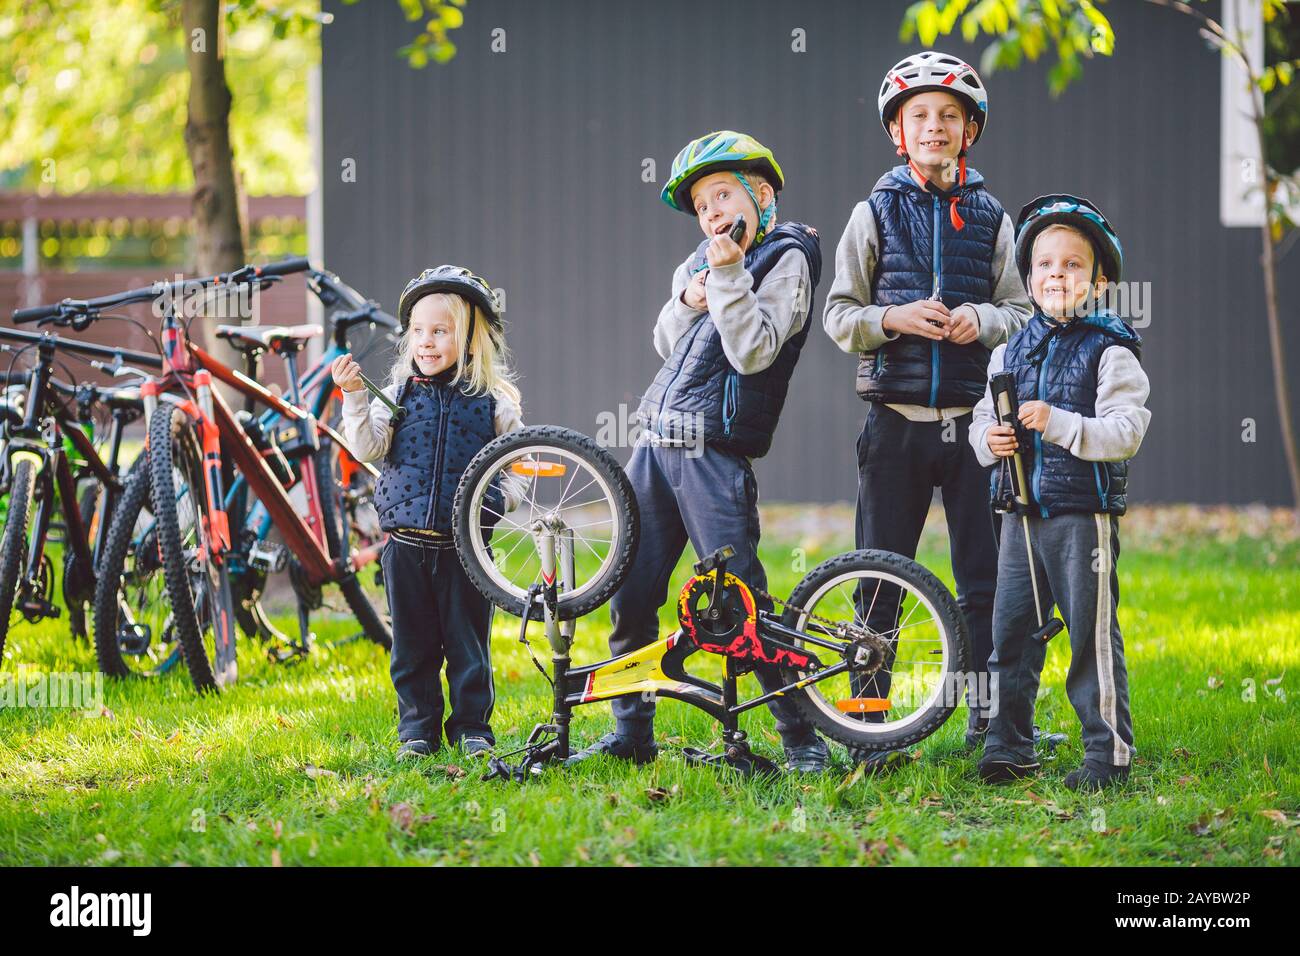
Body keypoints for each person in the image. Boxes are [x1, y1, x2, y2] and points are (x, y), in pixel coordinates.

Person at [565, 130, 830, 773]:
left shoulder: (789, 253)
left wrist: (728, 276)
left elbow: (754, 349)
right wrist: (690, 294)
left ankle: (801, 740)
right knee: (631, 587)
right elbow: (665, 339)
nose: (711, 214)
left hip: (713, 449)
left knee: (739, 597)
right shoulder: (700, 262)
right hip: (657, 441)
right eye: (701, 206)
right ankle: (632, 732)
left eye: (722, 195)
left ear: (760, 195)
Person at [822, 51, 1034, 770]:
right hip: (895, 429)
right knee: (879, 581)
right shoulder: (873, 211)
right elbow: (839, 316)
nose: (935, 127)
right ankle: (871, 730)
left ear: (969, 130)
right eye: (920, 117)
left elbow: (1022, 308)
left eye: (949, 116)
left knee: (983, 581)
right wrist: (896, 319)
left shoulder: (993, 217)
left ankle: (986, 723)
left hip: (977, 429)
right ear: (897, 132)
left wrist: (981, 317)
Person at [969, 195, 1150, 791]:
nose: (1056, 275)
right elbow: (980, 418)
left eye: (1073, 265)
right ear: (1029, 276)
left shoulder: (1111, 349)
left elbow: (1125, 432)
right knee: (1010, 633)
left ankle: (1106, 755)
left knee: (1090, 635)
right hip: (1019, 513)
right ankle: (1007, 743)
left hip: (1081, 517)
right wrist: (987, 439)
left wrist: (1060, 424)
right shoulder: (1009, 349)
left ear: (1099, 282)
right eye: (1045, 264)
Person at [333, 266, 524, 761]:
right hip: (405, 548)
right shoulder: (397, 395)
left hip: (466, 551)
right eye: (418, 331)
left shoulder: (494, 404)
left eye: (440, 331)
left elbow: (520, 465)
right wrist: (355, 397)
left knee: (468, 648)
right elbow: (365, 448)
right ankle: (417, 729)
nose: (426, 341)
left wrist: (502, 499)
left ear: (469, 337)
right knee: (413, 649)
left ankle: (471, 729)